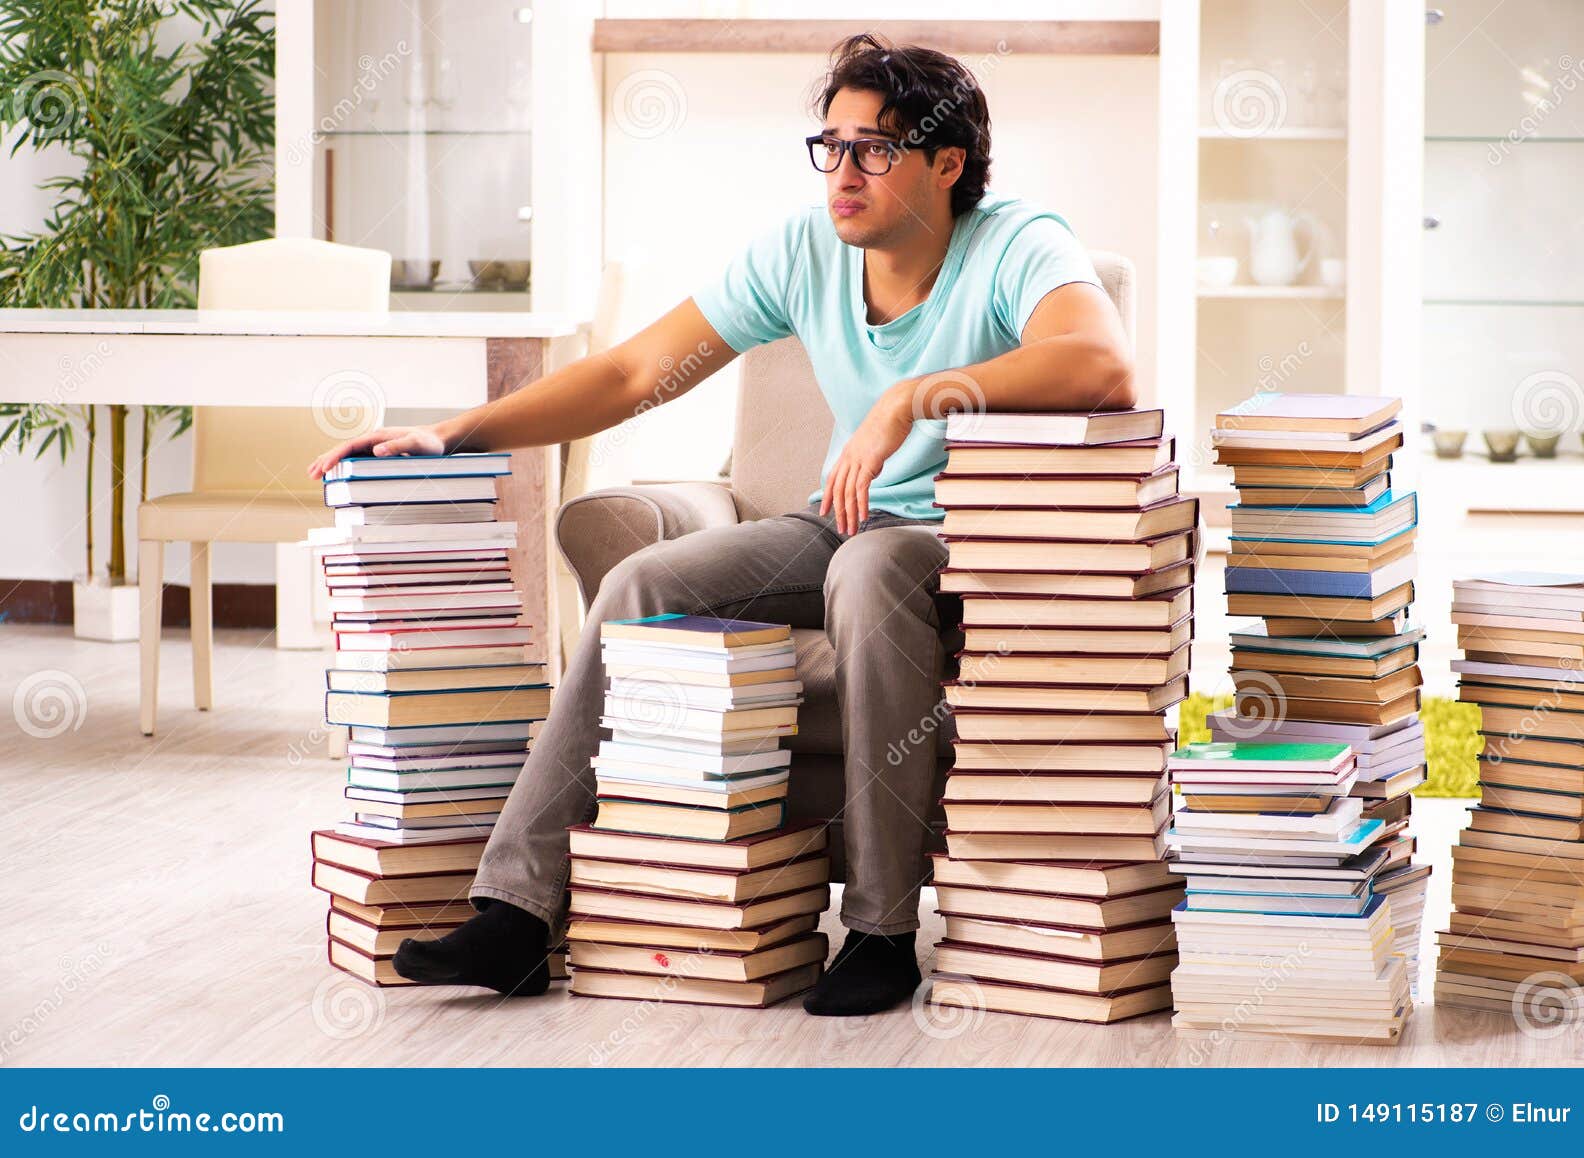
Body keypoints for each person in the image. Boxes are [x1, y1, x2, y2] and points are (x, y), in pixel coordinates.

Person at [306, 33, 1134, 1017]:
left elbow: (1100, 364)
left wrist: (914, 395)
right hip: (841, 520)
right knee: (641, 583)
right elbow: (627, 374)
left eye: (874, 149)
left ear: (945, 164)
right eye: (829, 145)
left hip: (971, 543)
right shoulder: (802, 251)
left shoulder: (1014, 238)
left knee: (870, 573)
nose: (843, 172)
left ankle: (879, 930)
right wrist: (453, 433)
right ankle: (519, 913)